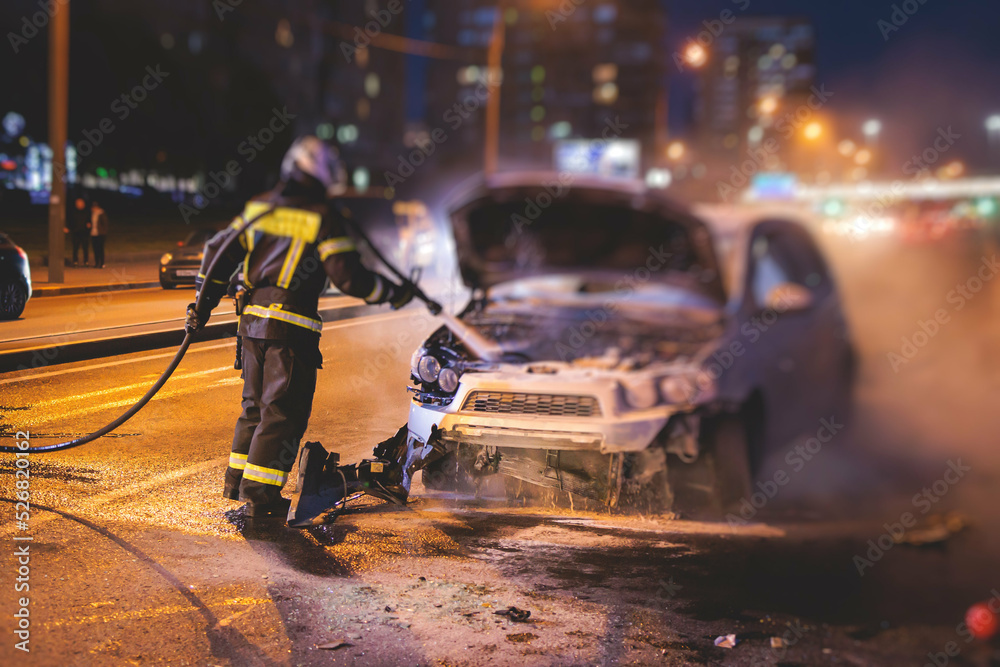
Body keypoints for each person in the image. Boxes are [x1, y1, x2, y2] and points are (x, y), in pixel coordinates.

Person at [185, 136, 414, 518]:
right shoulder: (322, 215)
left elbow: (216, 251)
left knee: (255, 409)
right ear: (324, 173)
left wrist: (201, 306)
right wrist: (391, 292)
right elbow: (349, 277)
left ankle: (237, 485)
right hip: (290, 330)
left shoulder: (261, 207)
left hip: (253, 325)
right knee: (282, 414)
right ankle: (260, 500)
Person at [65, 197, 91, 266]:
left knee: (85, 248)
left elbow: (90, 221)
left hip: (84, 232)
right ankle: (75, 261)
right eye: (78, 203)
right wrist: (68, 228)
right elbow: (70, 221)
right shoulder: (73, 212)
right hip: (76, 232)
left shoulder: (87, 212)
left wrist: (89, 226)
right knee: (75, 248)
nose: (80, 205)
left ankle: (86, 261)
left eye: (81, 203)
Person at [90, 201, 109, 268]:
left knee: (100, 248)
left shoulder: (101, 213)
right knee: (95, 249)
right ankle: (97, 263)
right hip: (93, 233)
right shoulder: (92, 214)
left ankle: (102, 263)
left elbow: (105, 223)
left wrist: (104, 232)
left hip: (100, 234)